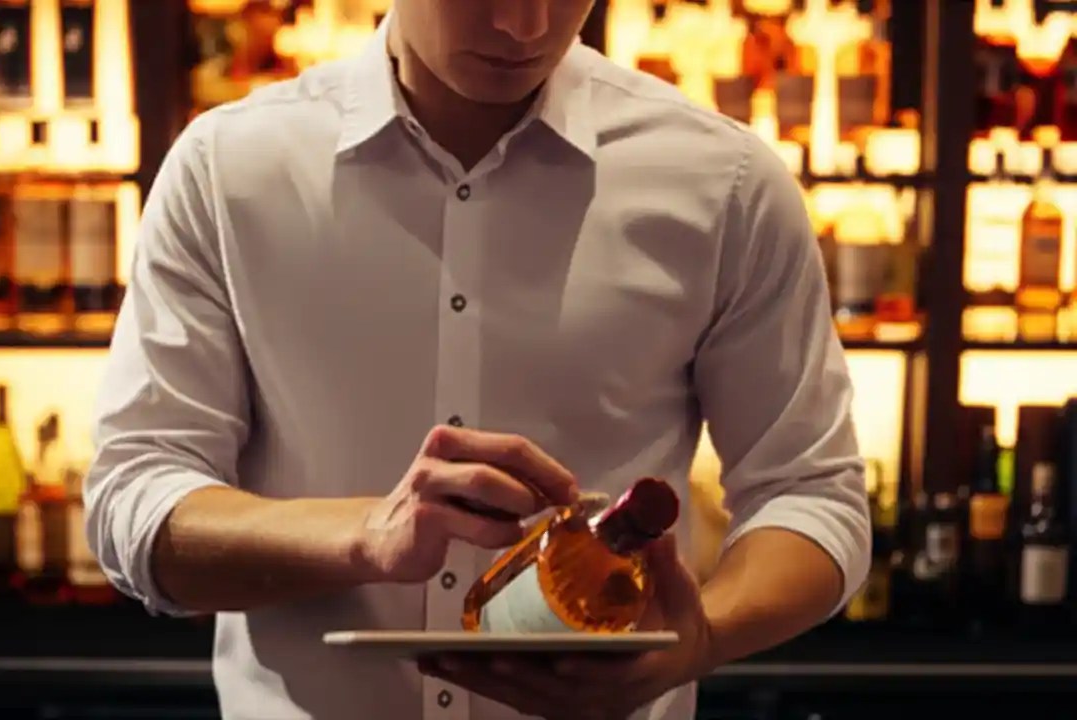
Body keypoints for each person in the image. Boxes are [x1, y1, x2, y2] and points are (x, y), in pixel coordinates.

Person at [84, 0, 871, 717]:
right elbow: (136, 501)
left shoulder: (726, 184)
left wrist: (699, 639)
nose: (526, 27)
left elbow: (810, 496)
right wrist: (363, 537)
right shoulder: (228, 171)